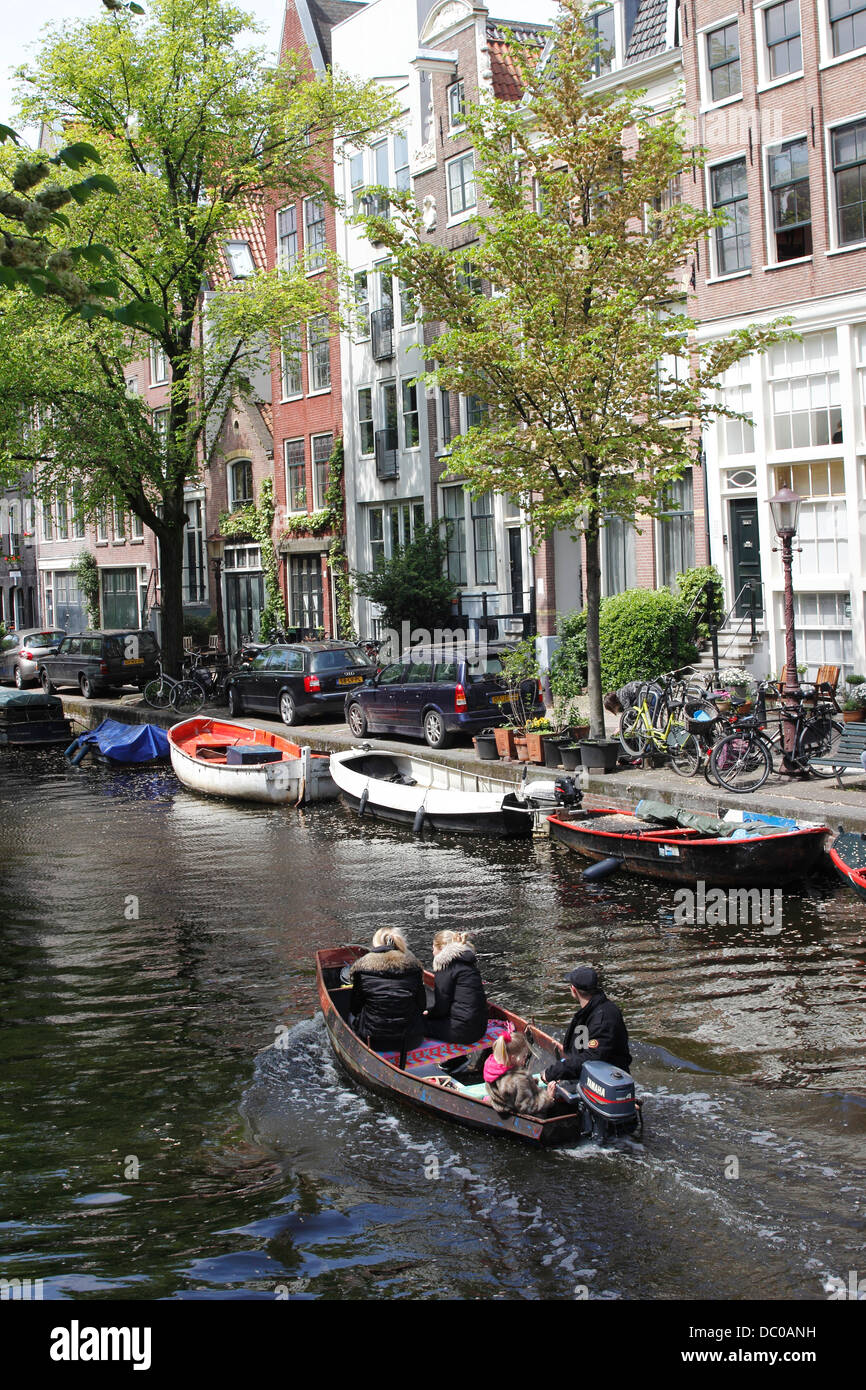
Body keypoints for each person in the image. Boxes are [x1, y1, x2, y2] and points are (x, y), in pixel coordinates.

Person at [542, 966, 631, 1098]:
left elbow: (591, 1058)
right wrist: (565, 1071)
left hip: (604, 1082)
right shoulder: (593, 1009)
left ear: (573, 990)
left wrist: (553, 1072)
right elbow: (580, 1051)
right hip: (590, 1074)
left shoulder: (602, 1018)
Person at [349, 928, 426, 1053]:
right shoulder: (414, 967)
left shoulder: (361, 970)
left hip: (375, 1042)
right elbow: (422, 1004)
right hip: (412, 1040)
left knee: (350, 1017)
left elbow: (355, 1008)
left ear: (375, 944)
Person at [423, 929, 488, 1044]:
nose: (432, 953)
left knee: (416, 1024)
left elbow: (442, 1008)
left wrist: (427, 1014)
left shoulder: (445, 966)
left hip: (463, 1032)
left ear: (441, 948)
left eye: (433, 948)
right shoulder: (469, 963)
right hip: (480, 1028)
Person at [483, 1029, 552, 1117]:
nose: (525, 1060)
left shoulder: (490, 1065)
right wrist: (549, 1097)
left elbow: (510, 1088)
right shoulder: (519, 1080)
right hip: (513, 1111)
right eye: (523, 1056)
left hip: (499, 1103)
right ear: (512, 1058)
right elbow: (527, 1107)